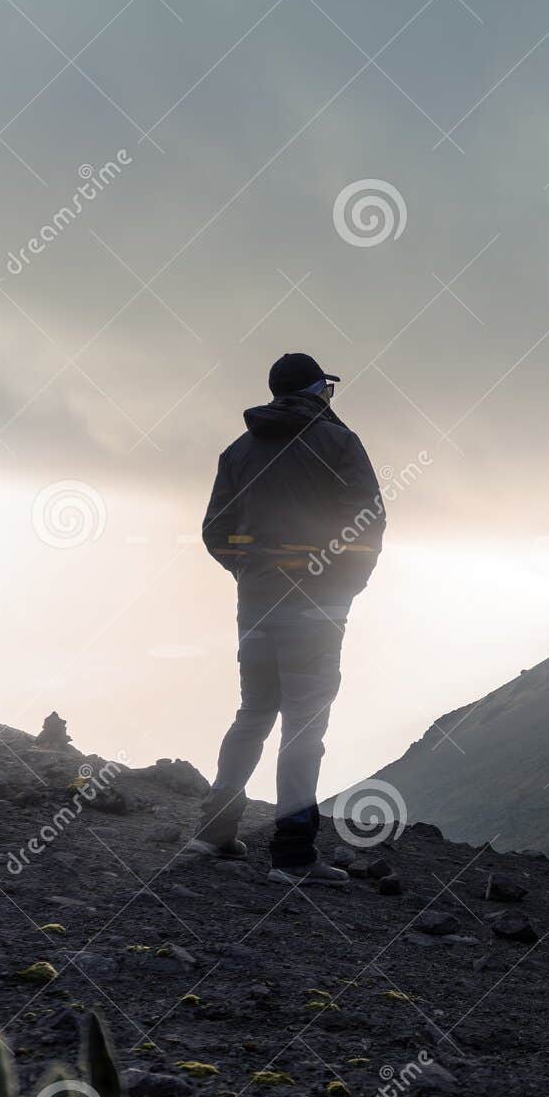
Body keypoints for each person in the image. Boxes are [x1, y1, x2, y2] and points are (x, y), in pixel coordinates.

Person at [188, 352, 385, 884]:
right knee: (304, 726)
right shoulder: (340, 443)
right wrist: (343, 586)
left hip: (256, 603)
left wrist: (250, 571)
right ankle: (294, 857)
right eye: (329, 389)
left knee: (253, 712)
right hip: (317, 608)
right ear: (319, 391)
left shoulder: (239, 449)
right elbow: (369, 521)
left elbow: (214, 530)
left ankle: (214, 832)